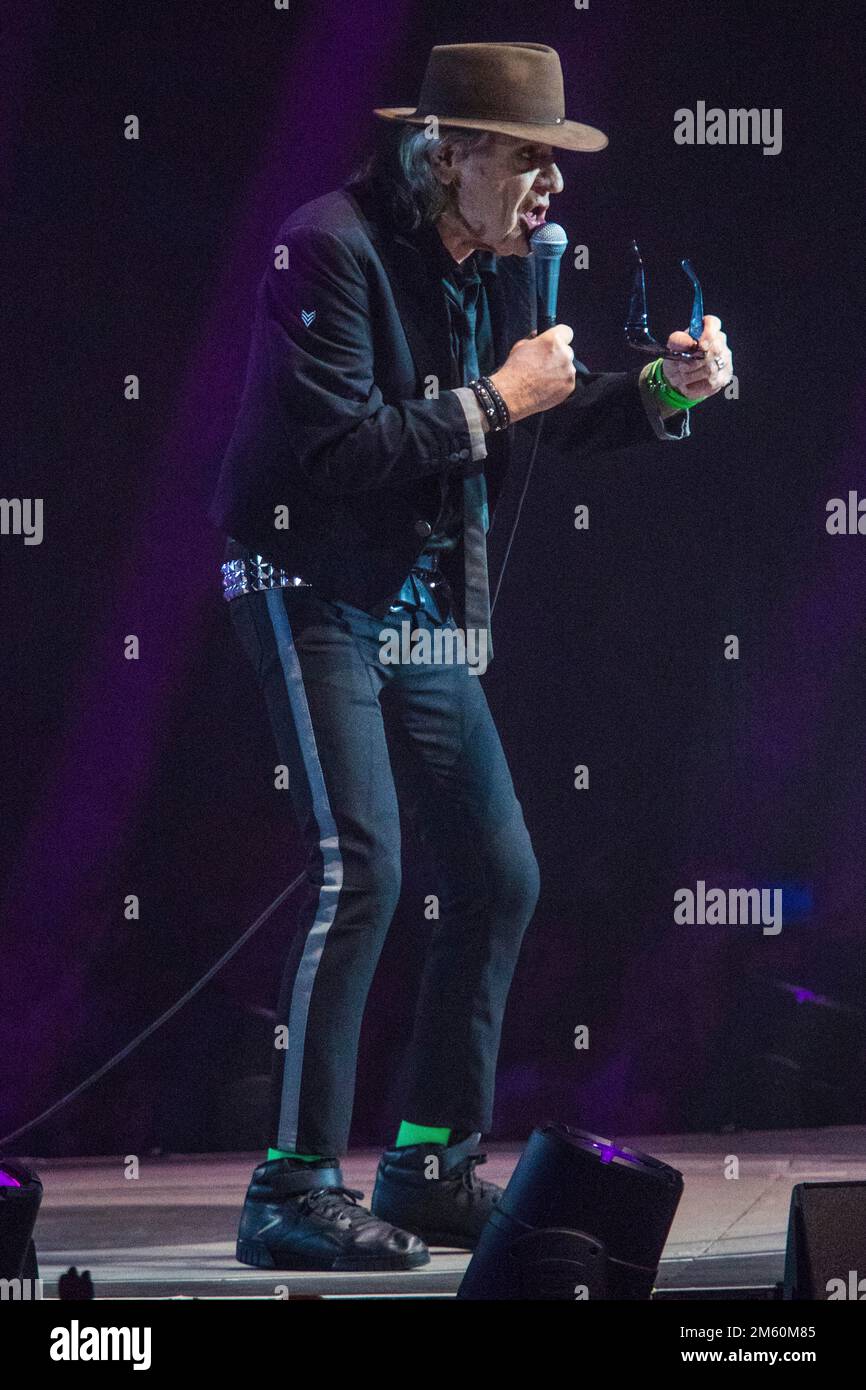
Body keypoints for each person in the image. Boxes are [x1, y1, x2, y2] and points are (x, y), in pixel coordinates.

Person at [209, 41, 733, 1271]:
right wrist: (496, 400)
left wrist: (666, 387)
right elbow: (337, 451)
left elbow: (539, 411)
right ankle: (286, 1190)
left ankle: (429, 1163)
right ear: (445, 151)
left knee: (497, 875)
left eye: (556, 162)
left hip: (408, 603)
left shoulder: (492, 264)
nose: (547, 186)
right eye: (525, 159)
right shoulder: (326, 246)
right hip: (299, 578)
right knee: (363, 867)